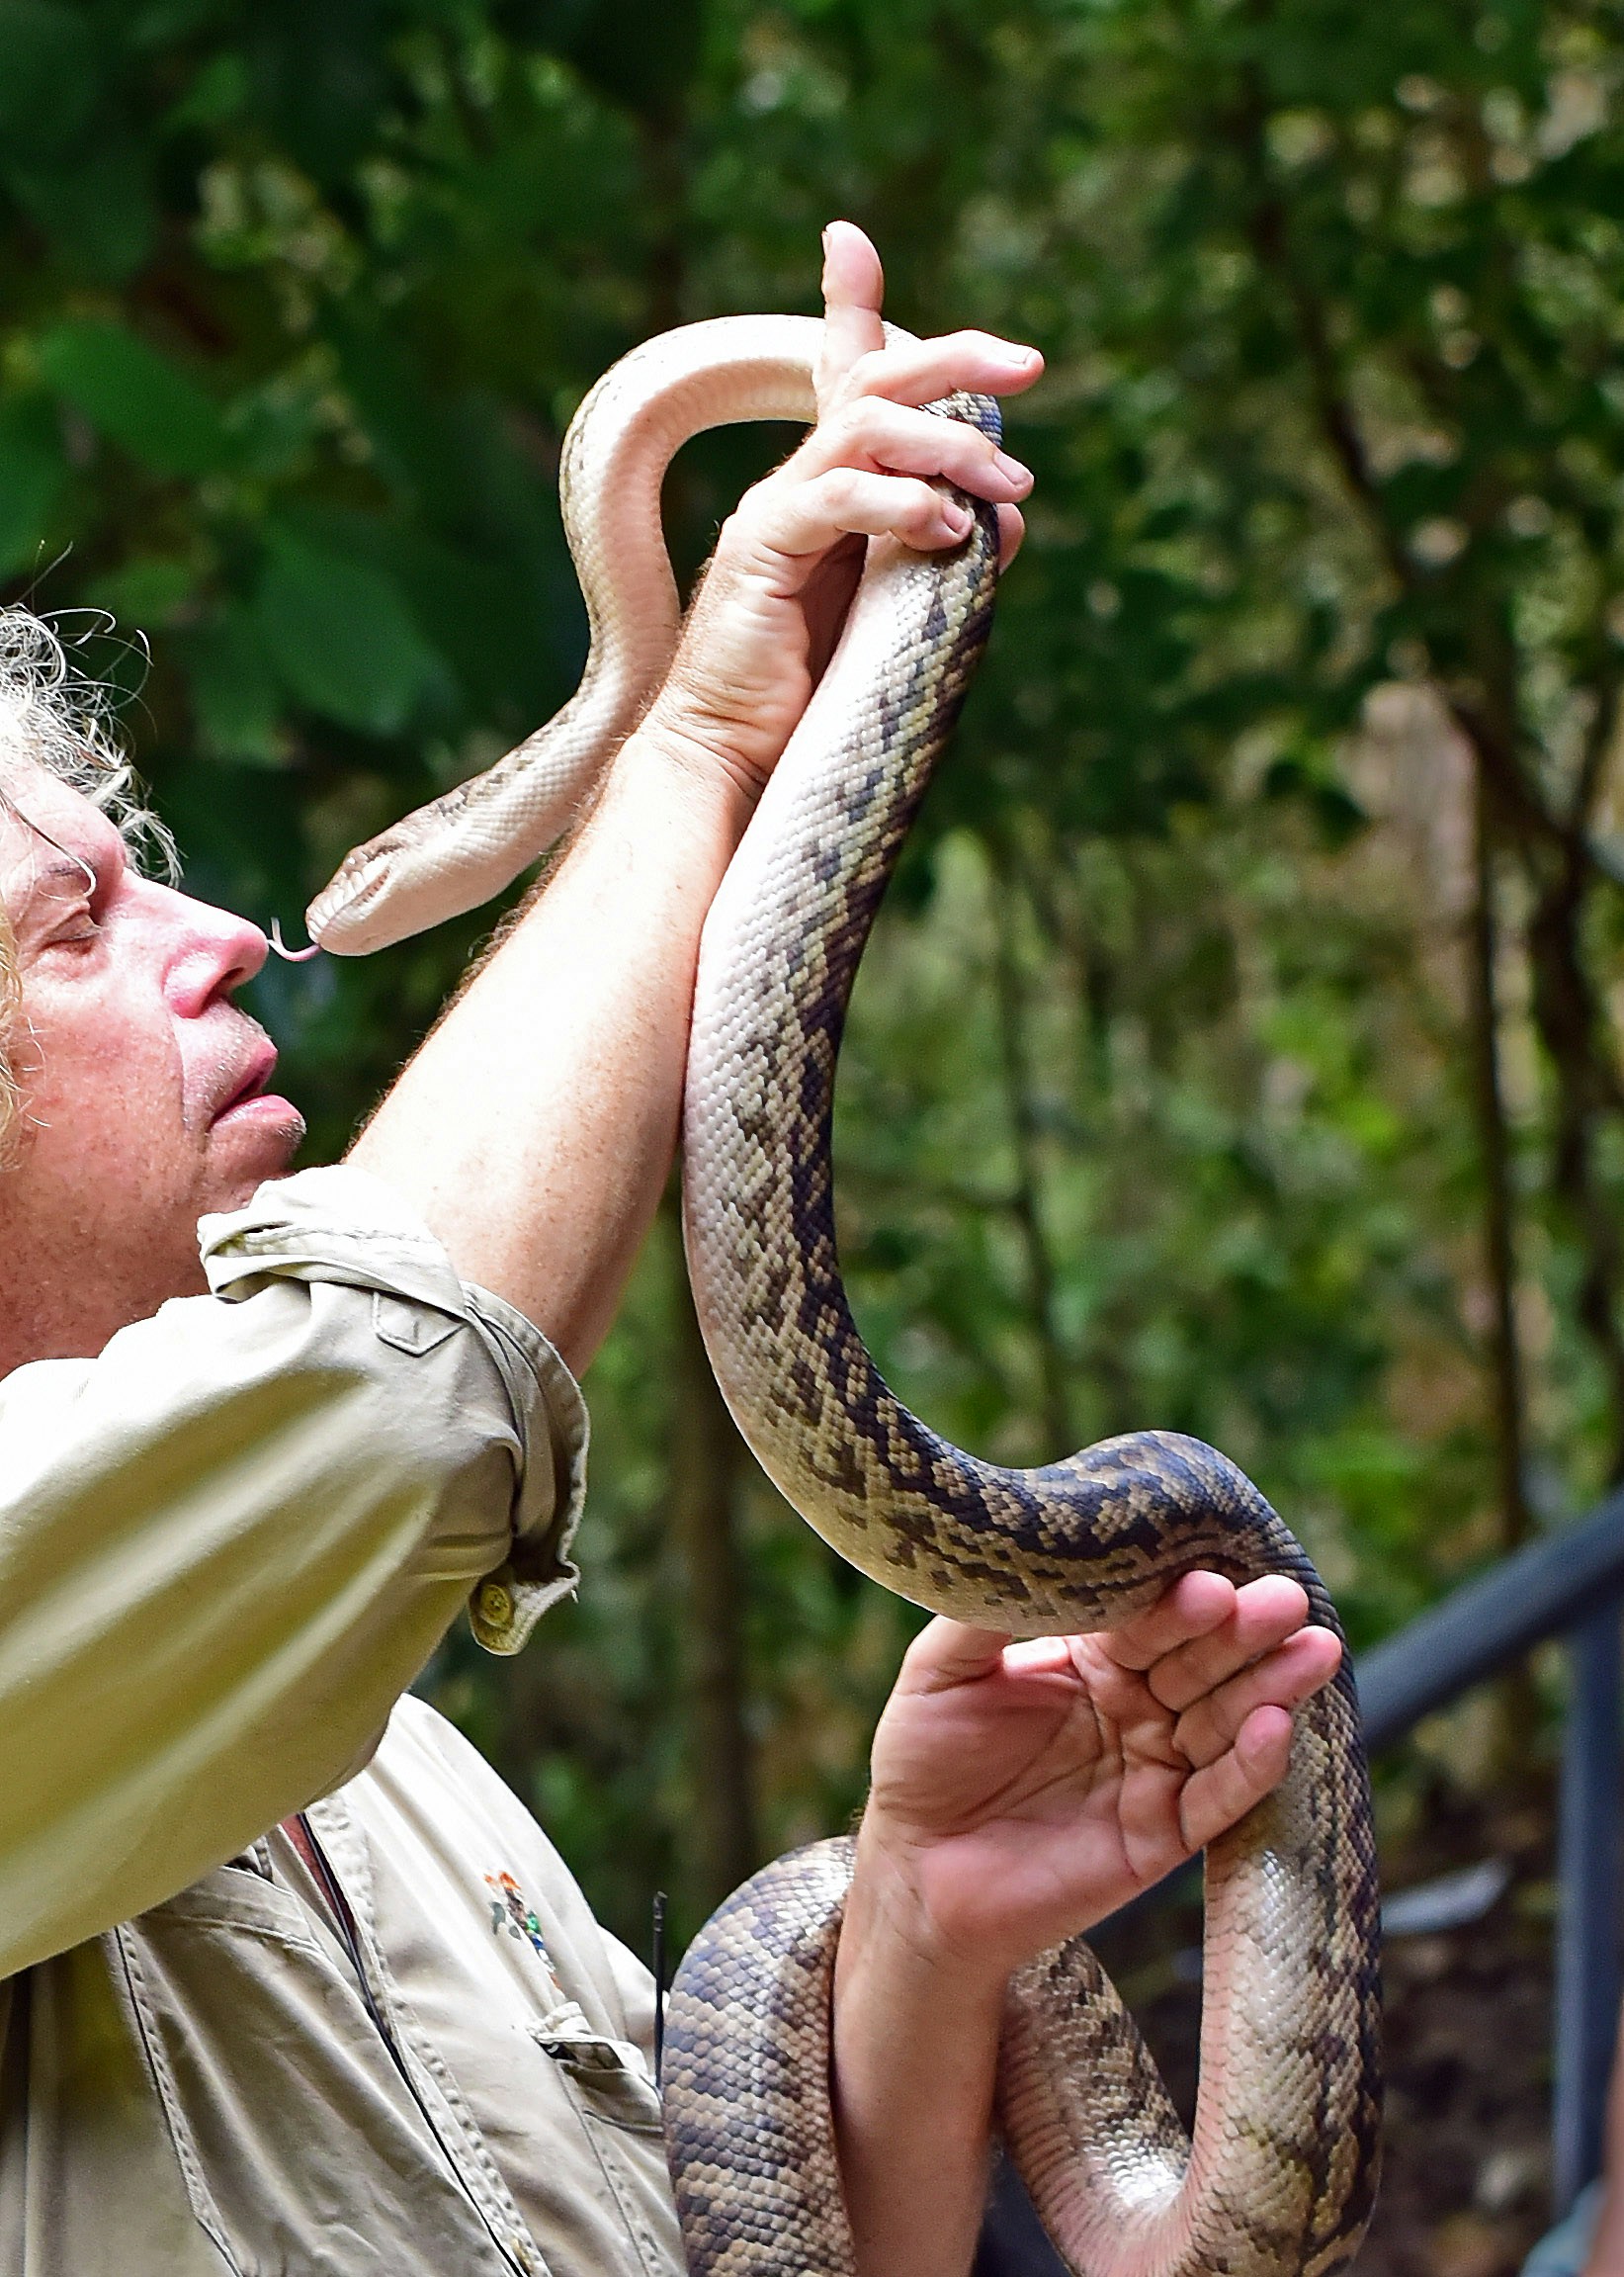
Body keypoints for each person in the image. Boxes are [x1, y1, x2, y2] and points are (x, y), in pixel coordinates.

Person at [0, 220, 1342, 2277]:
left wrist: (913, 1948)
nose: (221, 935)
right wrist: (699, 736)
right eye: (77, 926)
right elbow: (386, 1404)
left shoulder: (396, 1790)